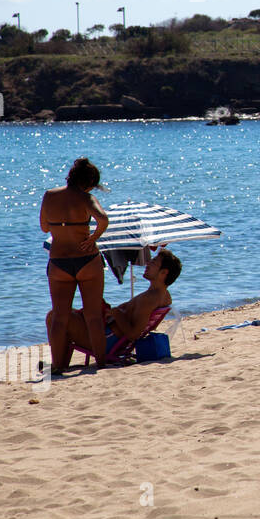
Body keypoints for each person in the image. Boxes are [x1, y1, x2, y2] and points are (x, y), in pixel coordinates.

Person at [49, 249, 181, 369]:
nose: (147, 264)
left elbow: (134, 334)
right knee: (66, 314)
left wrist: (117, 313)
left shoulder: (150, 298)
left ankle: (58, 364)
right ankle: (61, 363)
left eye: (153, 263)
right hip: (112, 338)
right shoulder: (163, 295)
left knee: (55, 316)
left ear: (164, 273)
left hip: (107, 341)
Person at [41, 158, 110, 373]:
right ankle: (101, 363)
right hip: (87, 260)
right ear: (89, 182)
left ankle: (59, 366)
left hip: (59, 261)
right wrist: (93, 237)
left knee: (60, 317)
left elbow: (44, 227)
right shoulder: (87, 198)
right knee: (93, 316)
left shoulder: (49, 196)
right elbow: (103, 219)